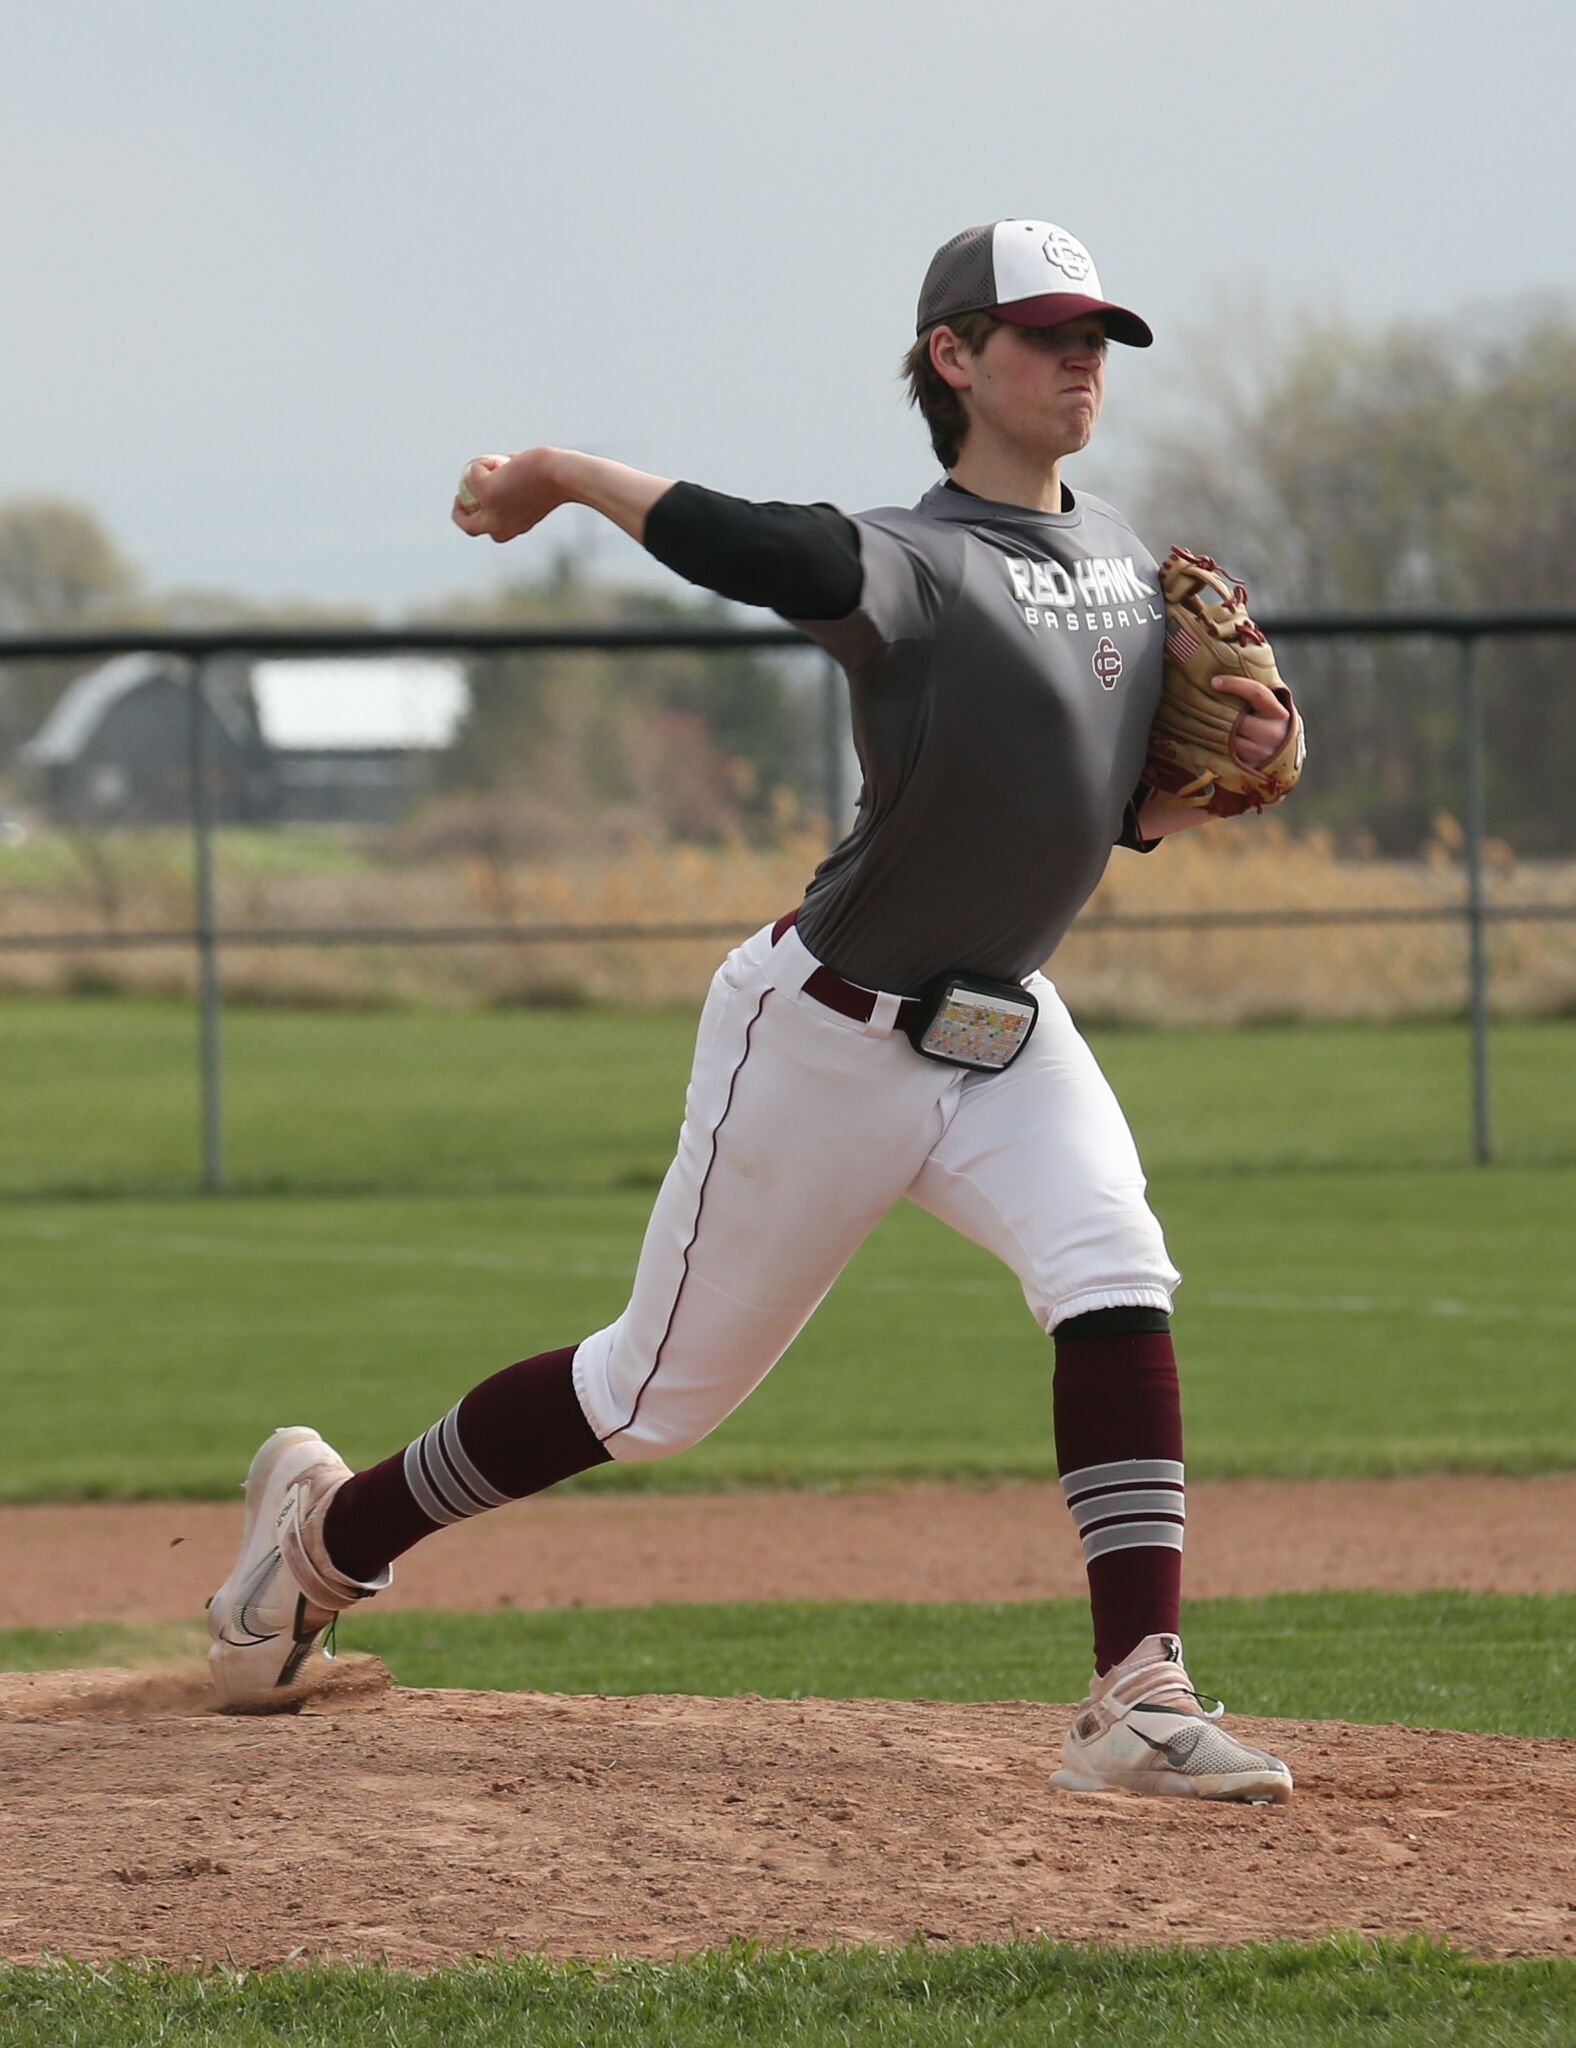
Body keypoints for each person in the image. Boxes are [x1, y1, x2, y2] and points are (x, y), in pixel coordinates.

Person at [207, 220, 1297, 1803]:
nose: (1084, 361)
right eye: (1048, 332)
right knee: (643, 1399)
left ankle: (1137, 1696)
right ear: (953, 360)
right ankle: (317, 1547)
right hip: (826, 1031)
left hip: (1007, 1032)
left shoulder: (1131, 562)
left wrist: (1224, 780)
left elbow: (1107, 813)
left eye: (1100, 337)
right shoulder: (917, 567)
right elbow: (767, 550)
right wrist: (573, 473)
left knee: (1115, 1267)